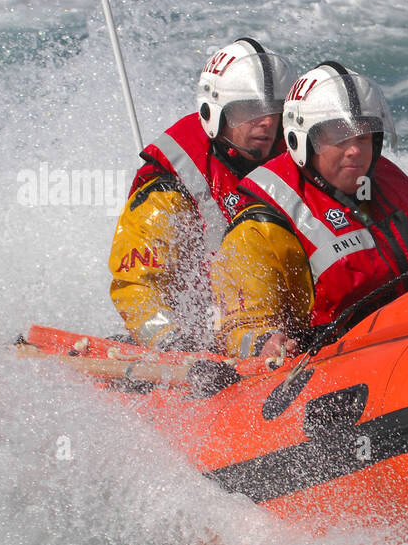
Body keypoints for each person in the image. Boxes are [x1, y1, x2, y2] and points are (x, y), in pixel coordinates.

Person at [212, 62, 408, 359]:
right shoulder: (261, 227)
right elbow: (241, 327)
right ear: (302, 141)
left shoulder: (389, 185)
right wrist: (264, 342)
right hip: (342, 366)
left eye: (363, 136)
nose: (355, 150)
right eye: (339, 136)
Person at [108, 37, 295, 349]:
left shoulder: (299, 161)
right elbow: (136, 288)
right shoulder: (169, 189)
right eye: (250, 109)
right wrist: (171, 342)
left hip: (284, 332)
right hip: (207, 344)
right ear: (214, 112)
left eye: (276, 110)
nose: (266, 122)